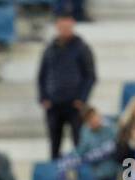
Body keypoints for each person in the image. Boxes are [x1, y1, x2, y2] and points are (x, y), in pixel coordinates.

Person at [36, 14, 95, 158]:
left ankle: (80, 175)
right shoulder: (50, 48)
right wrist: (43, 97)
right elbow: (42, 75)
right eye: (62, 26)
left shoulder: (82, 48)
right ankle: (55, 175)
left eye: (67, 26)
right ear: (57, 26)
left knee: (79, 143)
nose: (64, 29)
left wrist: (82, 98)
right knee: (54, 144)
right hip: (54, 104)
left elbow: (90, 75)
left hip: (75, 105)